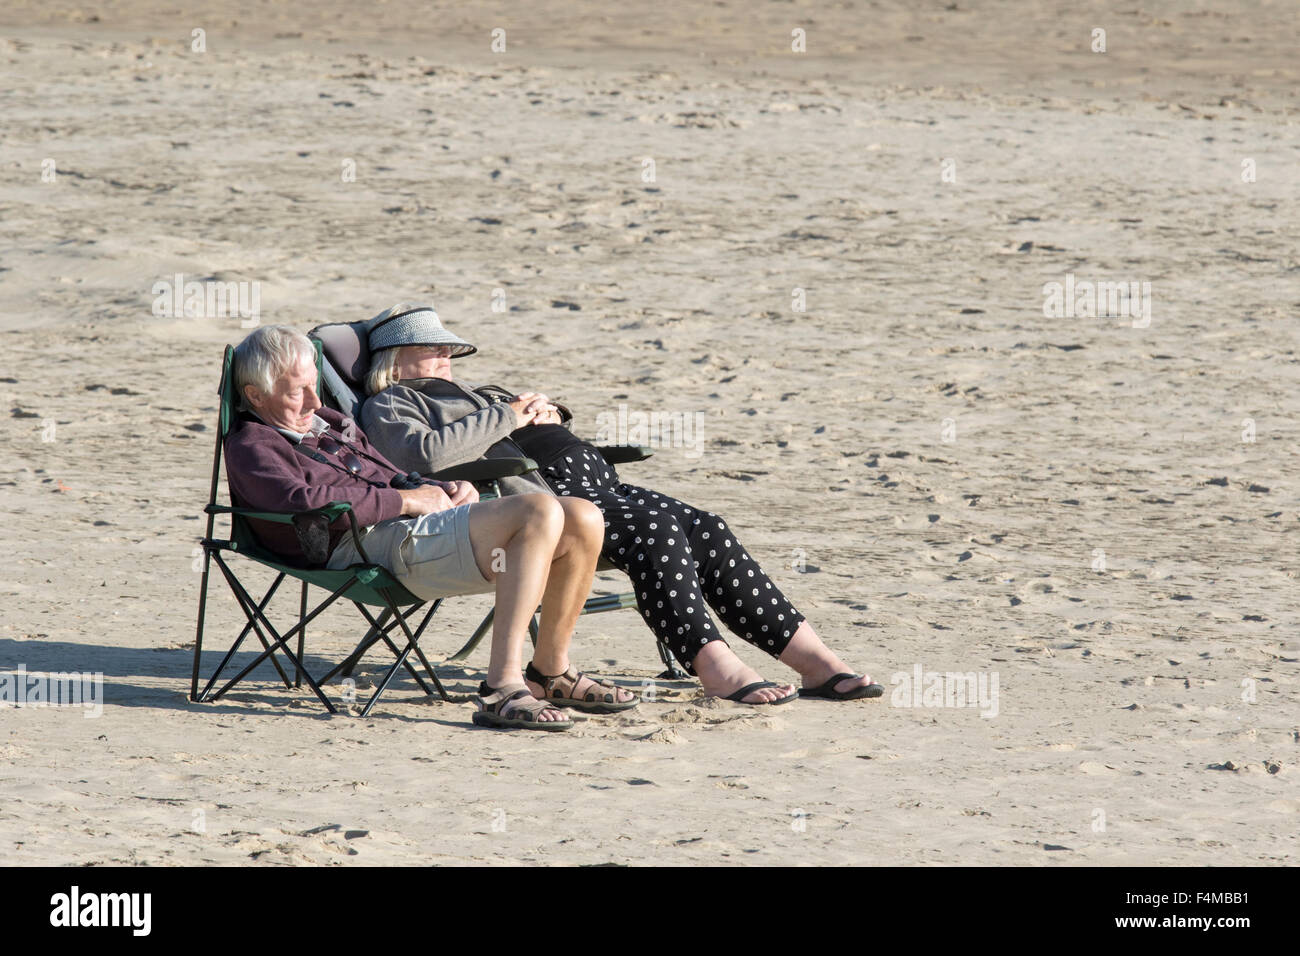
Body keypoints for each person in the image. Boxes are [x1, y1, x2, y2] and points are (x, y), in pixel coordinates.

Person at [358, 303, 885, 705]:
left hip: (593, 480)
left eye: (449, 350)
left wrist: (548, 413)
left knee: (706, 526)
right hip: (542, 501)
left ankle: (814, 662)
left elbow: (524, 420)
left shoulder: (475, 391)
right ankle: (713, 663)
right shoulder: (392, 403)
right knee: (654, 532)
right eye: (433, 350)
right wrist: (511, 416)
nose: (446, 358)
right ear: (394, 363)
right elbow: (423, 453)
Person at [223, 325, 638, 731]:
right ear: (256, 395)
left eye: (315, 386)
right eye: (298, 391)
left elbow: (389, 472)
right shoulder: (255, 445)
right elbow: (302, 505)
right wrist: (406, 501)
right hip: (356, 545)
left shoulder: (326, 422)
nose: (315, 401)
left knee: (583, 516)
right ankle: (502, 685)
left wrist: (442, 487)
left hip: (407, 527)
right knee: (538, 512)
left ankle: (551, 672)